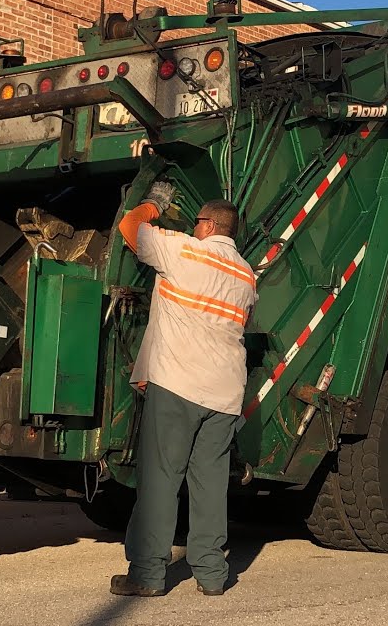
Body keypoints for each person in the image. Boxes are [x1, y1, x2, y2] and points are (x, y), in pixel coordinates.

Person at [108, 182, 257, 598]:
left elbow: (130, 226)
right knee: (209, 485)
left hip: (178, 385)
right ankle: (212, 576)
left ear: (208, 225)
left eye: (196, 222)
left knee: (160, 479)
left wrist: (155, 203)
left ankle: (148, 575)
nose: (193, 228)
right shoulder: (247, 274)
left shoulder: (183, 251)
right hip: (225, 393)